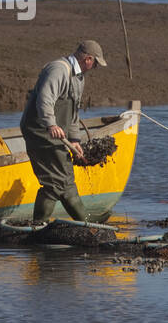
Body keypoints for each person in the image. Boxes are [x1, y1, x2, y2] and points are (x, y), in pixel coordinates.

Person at [19, 40, 108, 222]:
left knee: (62, 180)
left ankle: (82, 221)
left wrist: (75, 139)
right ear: (88, 59)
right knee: (58, 181)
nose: (96, 67)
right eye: (96, 63)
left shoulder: (79, 78)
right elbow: (44, 100)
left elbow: (73, 113)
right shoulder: (59, 70)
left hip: (57, 133)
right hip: (40, 130)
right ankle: (80, 221)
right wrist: (51, 124)